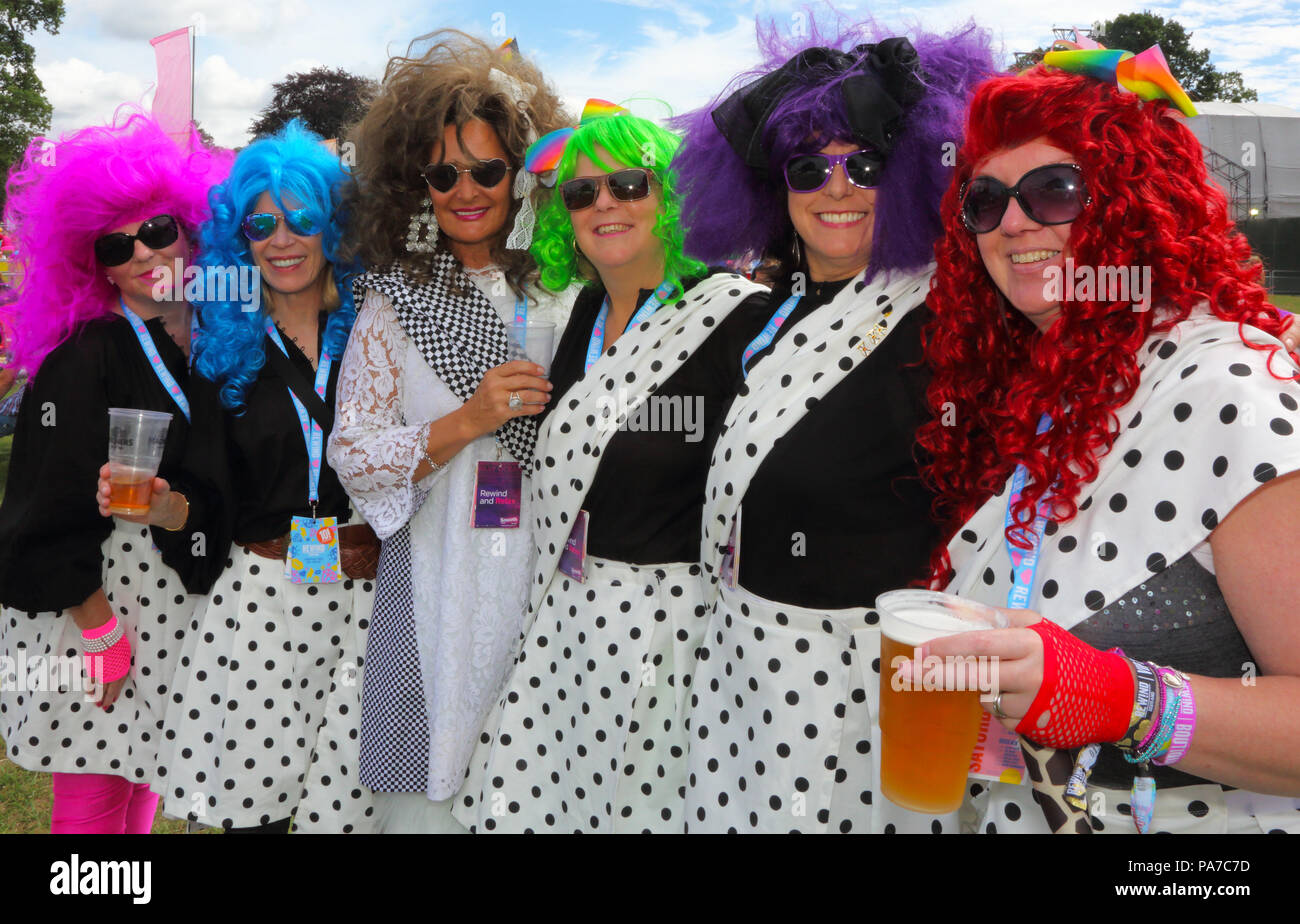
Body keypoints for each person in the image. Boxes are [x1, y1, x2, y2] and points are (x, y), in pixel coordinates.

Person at [915, 48, 1300, 833]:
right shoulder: (1055, 386)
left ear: (1134, 201)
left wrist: (1121, 700)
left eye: (1054, 190)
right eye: (984, 202)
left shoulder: (1229, 390)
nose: (1013, 221)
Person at [670, 21, 995, 832]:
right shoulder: (764, 317)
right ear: (776, 191)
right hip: (740, 679)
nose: (836, 187)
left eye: (868, 164)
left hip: (864, 694)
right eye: (809, 167)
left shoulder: (955, 313)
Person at [452, 100, 769, 832]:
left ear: (672, 197)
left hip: (667, 640)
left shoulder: (739, 317)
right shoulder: (584, 315)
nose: (604, 203)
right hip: (564, 618)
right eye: (581, 192)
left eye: (630, 185)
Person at [328, 30, 573, 833]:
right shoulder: (393, 301)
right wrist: (469, 420)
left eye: (488, 169)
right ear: (418, 186)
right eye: (443, 173)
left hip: (549, 577)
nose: (465, 189)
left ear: (522, 177)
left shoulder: (572, 293)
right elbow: (352, 449)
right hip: (436, 576)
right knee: (425, 802)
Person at [145, 121, 377, 833]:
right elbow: (203, 495)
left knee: (349, 811)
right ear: (239, 237)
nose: (281, 238)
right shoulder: (225, 355)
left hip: (366, 608)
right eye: (261, 222)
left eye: (301, 217)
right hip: (264, 611)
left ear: (331, 226)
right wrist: (167, 508)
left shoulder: (377, 335)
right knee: (262, 816)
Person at [0, 112, 228, 833]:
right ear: (93, 262)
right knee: (98, 795)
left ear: (191, 232)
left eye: (157, 230)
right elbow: (43, 507)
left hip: (173, 612)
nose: (141, 252)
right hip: (100, 610)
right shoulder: (87, 355)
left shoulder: (213, 342)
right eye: (114, 244)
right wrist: (99, 635)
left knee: (144, 783)